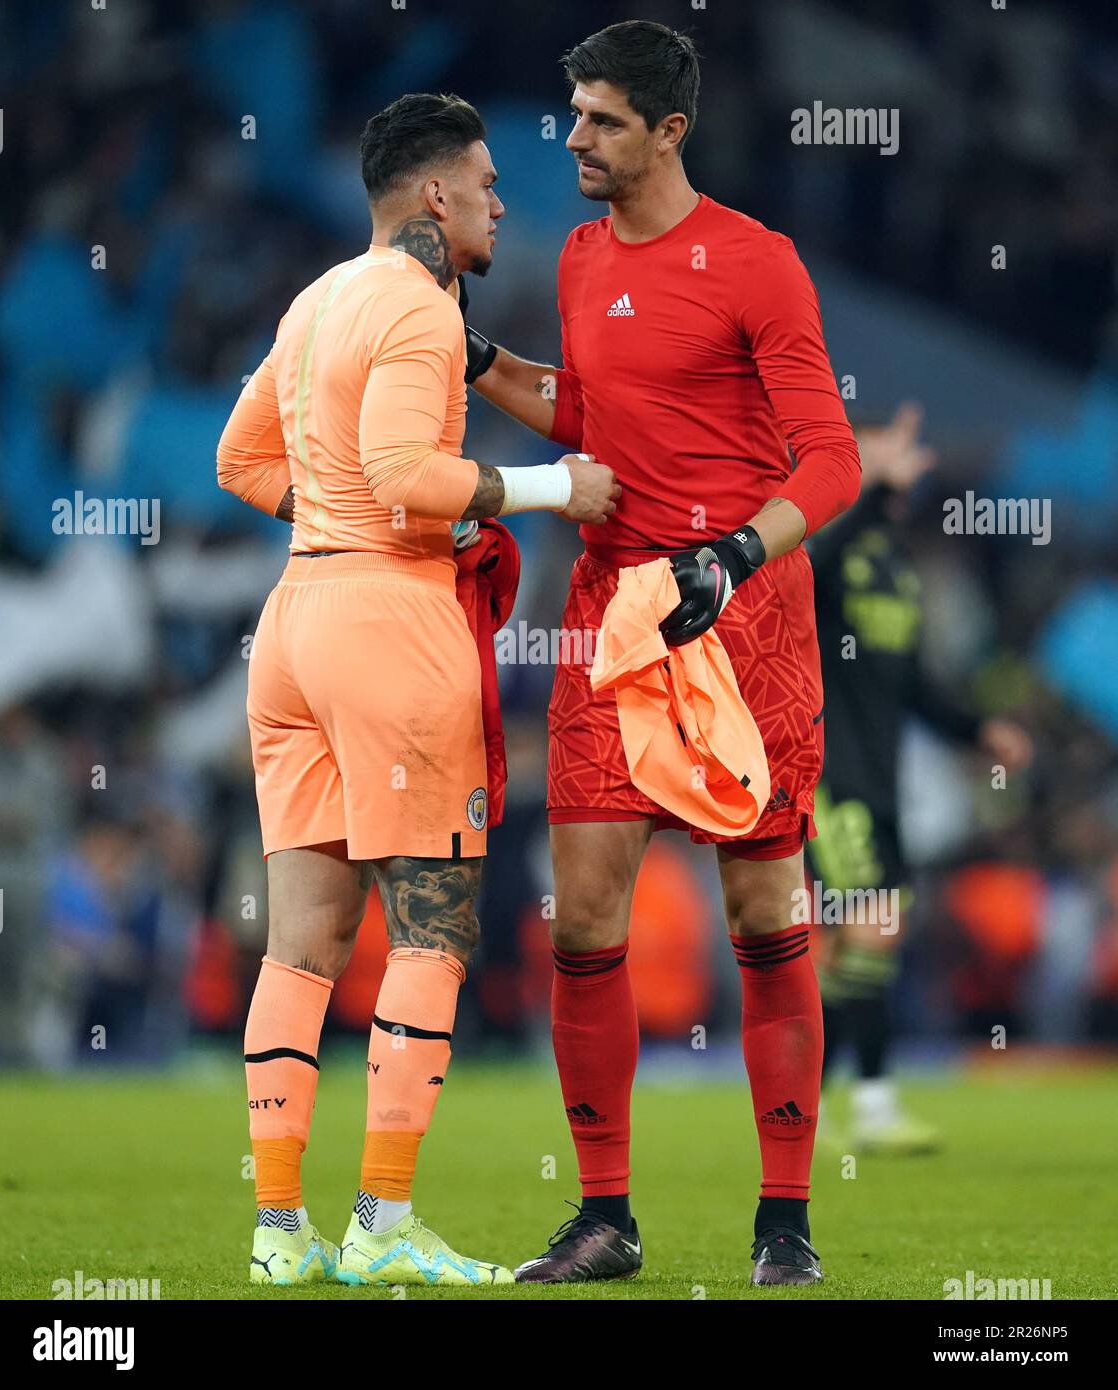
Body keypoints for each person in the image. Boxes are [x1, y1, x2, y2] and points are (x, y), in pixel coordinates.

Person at [460, 22, 860, 1285]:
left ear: (668, 131)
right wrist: (471, 360)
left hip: (743, 609)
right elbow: (588, 418)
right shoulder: (578, 258)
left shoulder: (758, 263)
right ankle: (605, 1218)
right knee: (579, 919)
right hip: (612, 612)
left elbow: (831, 459)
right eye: (572, 114)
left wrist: (736, 555)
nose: (571, 138)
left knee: (761, 912)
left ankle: (783, 1221)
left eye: (599, 119)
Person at [216, 91, 617, 1288]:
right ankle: (382, 1219)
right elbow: (404, 470)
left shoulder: (318, 298)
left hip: (293, 623)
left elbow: (241, 461)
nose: (503, 200)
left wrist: (335, 521)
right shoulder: (418, 306)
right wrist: (554, 492)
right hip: (393, 620)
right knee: (433, 928)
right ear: (433, 194)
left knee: (300, 946)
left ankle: (277, 1232)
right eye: (489, 182)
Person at [806, 404, 1033, 1153]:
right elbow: (806, 575)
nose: (902, 465)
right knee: (867, 928)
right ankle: (865, 1109)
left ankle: (809, 1106)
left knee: (851, 946)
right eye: (880, 451)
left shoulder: (895, 567)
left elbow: (912, 682)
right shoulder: (816, 547)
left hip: (881, 777)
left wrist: (978, 729)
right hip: (826, 772)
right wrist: (864, 487)